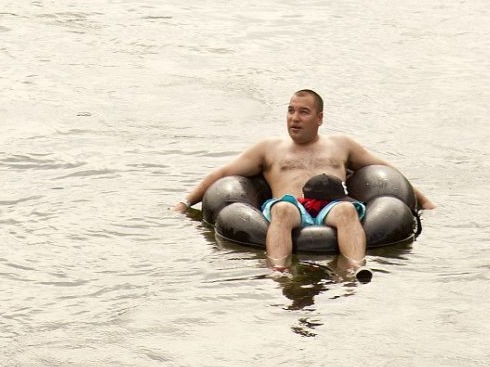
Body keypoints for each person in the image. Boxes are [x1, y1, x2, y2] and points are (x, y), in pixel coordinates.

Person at [174, 89, 432, 279]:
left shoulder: (341, 145)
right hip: (290, 206)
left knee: (347, 211)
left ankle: (354, 267)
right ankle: (278, 268)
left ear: (319, 118)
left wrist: (423, 201)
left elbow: (386, 173)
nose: (294, 118)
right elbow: (223, 173)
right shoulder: (269, 148)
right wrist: (185, 203)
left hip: (331, 206)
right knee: (282, 210)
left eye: (303, 112)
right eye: (290, 110)